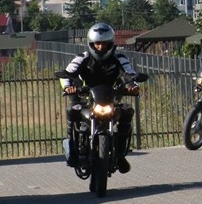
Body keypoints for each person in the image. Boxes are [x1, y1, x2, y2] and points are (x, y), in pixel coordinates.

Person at [60, 22, 142, 173]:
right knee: (72, 110)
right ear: (91, 43)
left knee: (127, 111)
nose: (100, 47)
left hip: (111, 98)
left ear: (111, 43)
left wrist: (132, 85)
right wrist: (68, 87)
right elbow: (67, 73)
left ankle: (120, 153)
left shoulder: (119, 57)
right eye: (97, 44)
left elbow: (129, 73)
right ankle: (73, 148)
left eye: (104, 44)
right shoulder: (82, 57)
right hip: (86, 98)